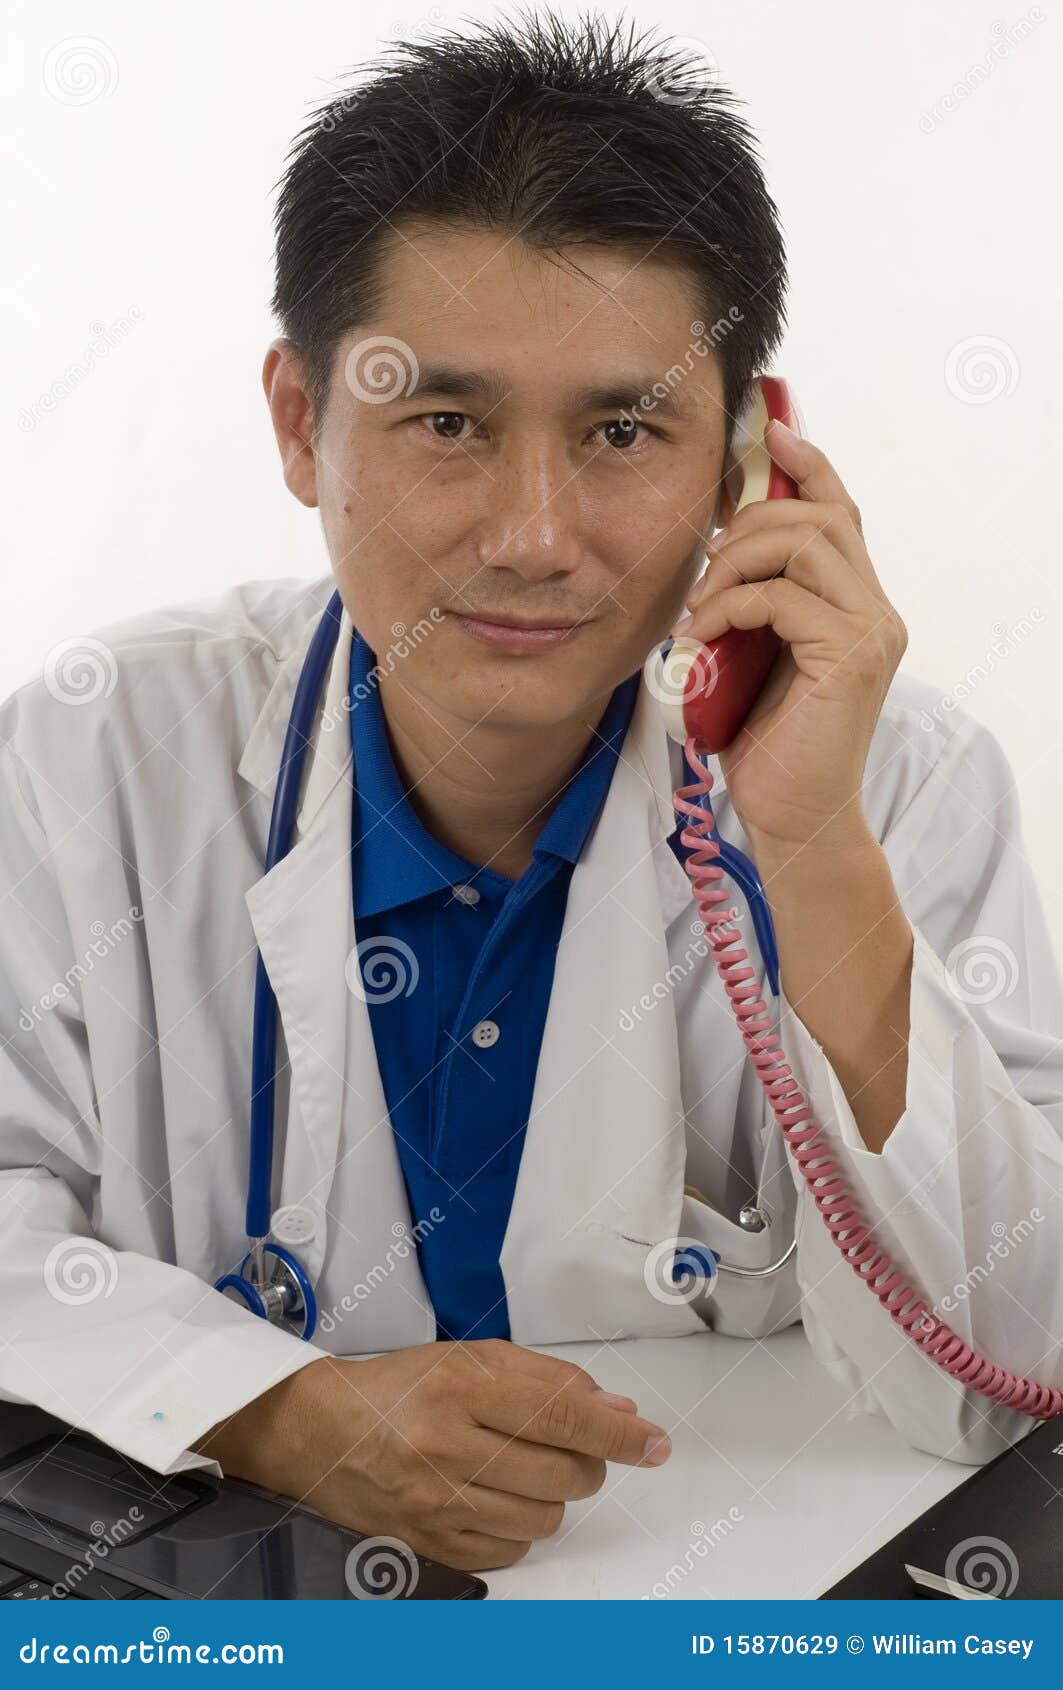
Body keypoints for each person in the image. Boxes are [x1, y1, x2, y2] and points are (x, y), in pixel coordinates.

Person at [2, 13, 1061, 1576]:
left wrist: (816, 850)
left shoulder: (891, 781)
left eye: (624, 429)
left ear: (745, 460)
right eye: (447, 423)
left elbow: (1014, 1359)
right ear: (302, 422)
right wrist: (272, 1411)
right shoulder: (98, 753)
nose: (534, 534)